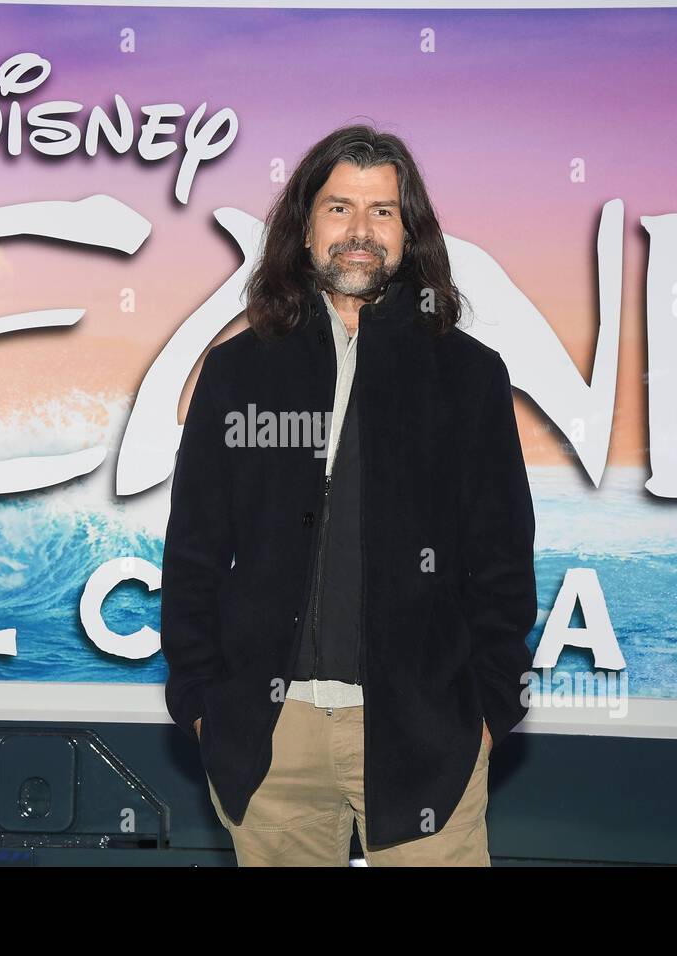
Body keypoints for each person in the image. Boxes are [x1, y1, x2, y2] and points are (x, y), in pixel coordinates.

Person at [161, 124, 537, 866]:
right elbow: (195, 551)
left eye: (383, 212)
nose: (360, 231)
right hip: (270, 742)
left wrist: (489, 710)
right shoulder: (239, 372)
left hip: (424, 734)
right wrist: (200, 702)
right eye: (339, 208)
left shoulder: (469, 377)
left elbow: (503, 563)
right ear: (304, 228)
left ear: (410, 233)